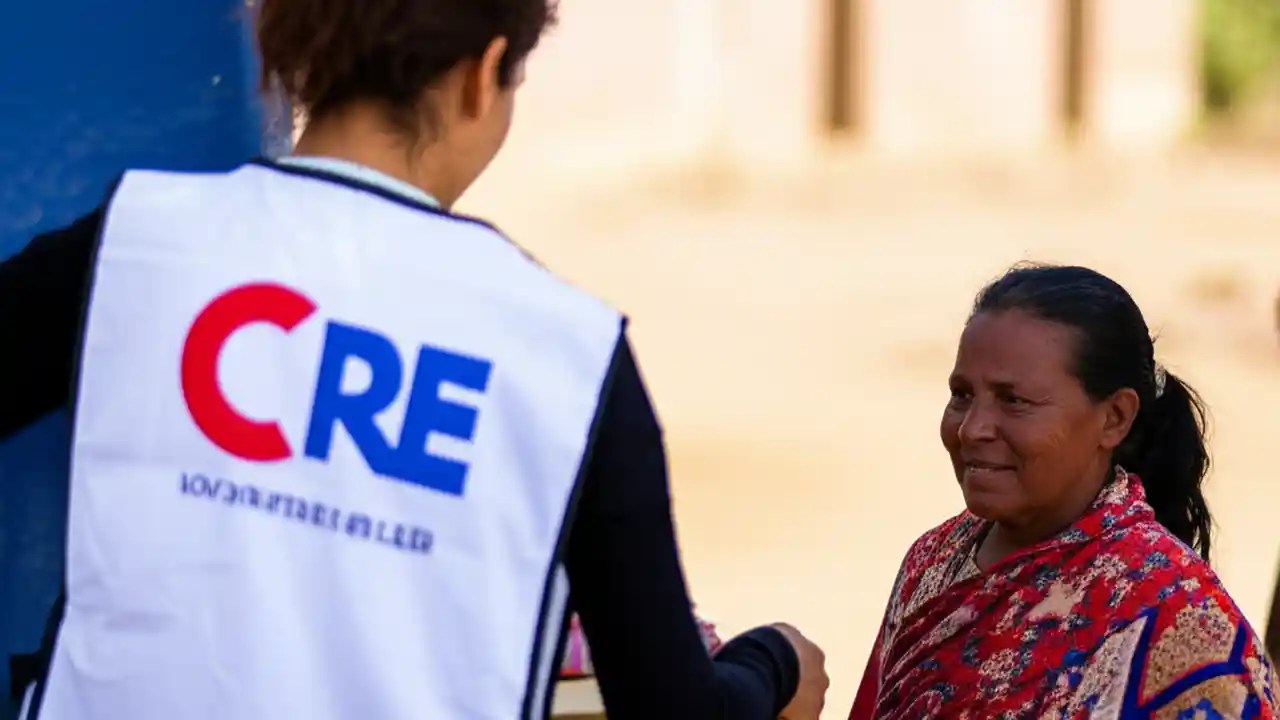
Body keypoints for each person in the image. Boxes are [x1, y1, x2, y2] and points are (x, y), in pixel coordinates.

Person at [0, 1, 829, 718]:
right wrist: (774, 663)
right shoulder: (565, 354)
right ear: (485, 74)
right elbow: (672, 709)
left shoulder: (138, 241)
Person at [849, 264, 1279, 719]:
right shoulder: (932, 562)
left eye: (1014, 400)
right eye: (961, 394)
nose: (972, 428)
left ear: (1114, 417)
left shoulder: (1182, 622)